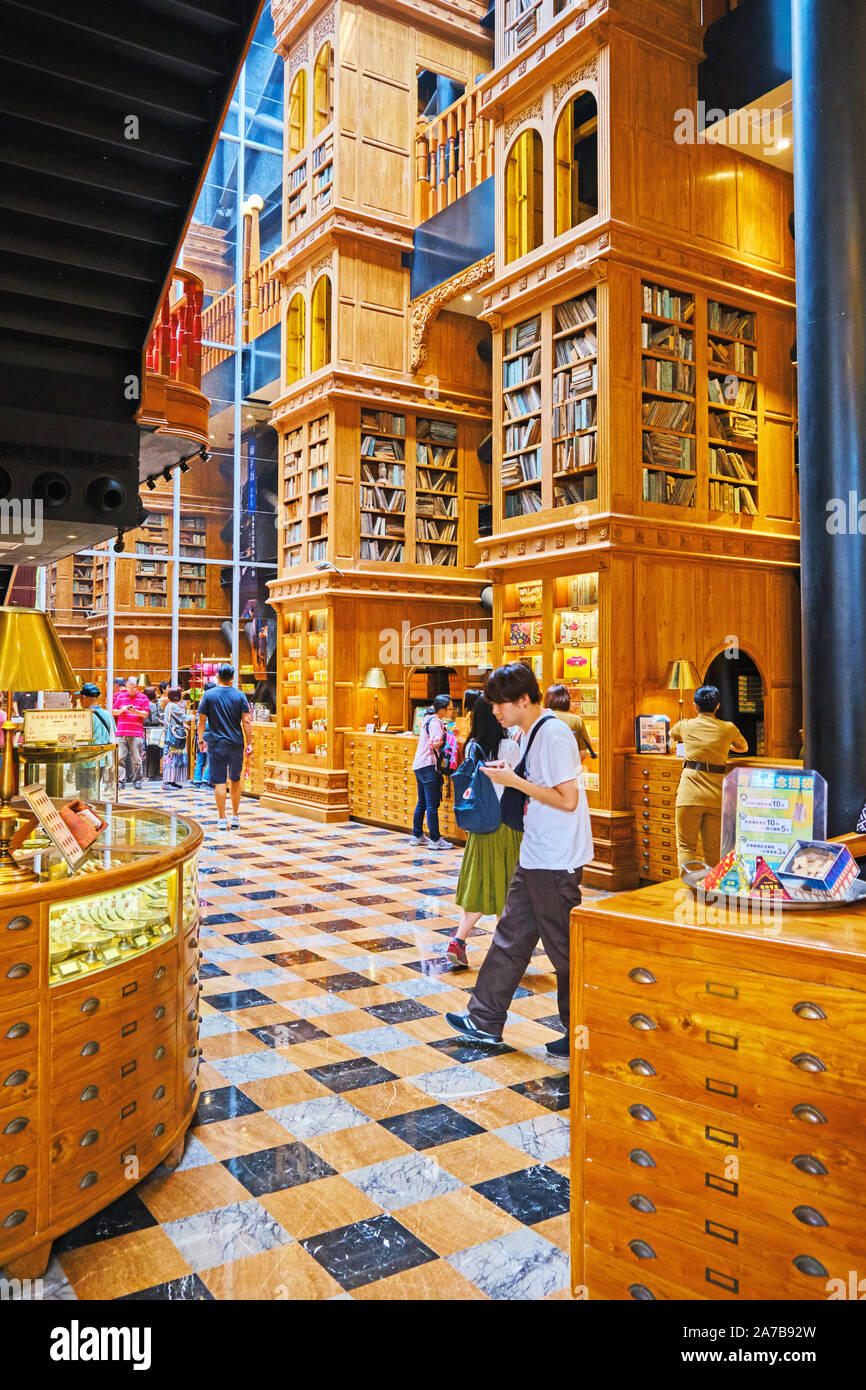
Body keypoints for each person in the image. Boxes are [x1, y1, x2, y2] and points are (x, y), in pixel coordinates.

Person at [445, 662, 594, 1056]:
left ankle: (584, 1034)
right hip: (536, 853)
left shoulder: (554, 734)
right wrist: (511, 774)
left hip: (556, 859)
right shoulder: (529, 732)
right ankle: (484, 1019)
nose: (494, 712)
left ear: (523, 700)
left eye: (500, 705)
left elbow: (567, 798)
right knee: (511, 936)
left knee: (564, 949)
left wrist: (514, 782)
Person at [445, 696, 522, 969]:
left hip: (480, 826)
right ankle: (506, 953)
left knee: (481, 885)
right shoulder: (510, 746)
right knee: (508, 886)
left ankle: (458, 941)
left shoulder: (472, 746)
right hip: (505, 824)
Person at [670, 684, 748, 871]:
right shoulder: (727, 728)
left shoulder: (685, 725)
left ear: (695, 705)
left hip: (688, 794)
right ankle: (712, 892)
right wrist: (725, 745)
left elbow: (671, 735)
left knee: (686, 847)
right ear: (717, 706)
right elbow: (744, 747)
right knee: (713, 850)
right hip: (715, 795)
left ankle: (687, 889)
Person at [196, 664, 252, 831]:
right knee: (235, 779)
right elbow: (246, 721)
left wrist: (200, 739)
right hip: (236, 743)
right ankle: (235, 816)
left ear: (218, 677)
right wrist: (250, 742)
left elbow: (202, 720)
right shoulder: (240, 695)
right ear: (233, 678)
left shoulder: (208, 695)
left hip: (216, 743)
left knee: (219, 781)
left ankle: (222, 819)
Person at [409, 693, 454, 851]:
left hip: (419, 764)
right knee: (432, 804)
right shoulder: (435, 721)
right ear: (442, 709)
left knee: (422, 802)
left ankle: (417, 835)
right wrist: (449, 736)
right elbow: (435, 743)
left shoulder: (427, 718)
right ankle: (435, 839)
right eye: (449, 709)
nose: (451, 712)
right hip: (429, 765)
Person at [112, 677, 149, 790]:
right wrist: (122, 709)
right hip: (121, 732)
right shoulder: (121, 697)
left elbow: (145, 714)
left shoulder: (143, 698)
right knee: (119, 758)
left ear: (137, 687)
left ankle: (137, 781)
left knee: (137, 759)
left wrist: (135, 711)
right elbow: (113, 711)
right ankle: (120, 781)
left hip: (136, 733)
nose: (131, 691)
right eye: (129, 688)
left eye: (134, 688)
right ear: (126, 686)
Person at [543, 684, 594, 762]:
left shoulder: (540, 719)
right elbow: (582, 753)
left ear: (547, 699)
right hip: (570, 770)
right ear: (567, 699)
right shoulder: (577, 721)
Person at [162, 688, 192, 790]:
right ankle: (167, 782)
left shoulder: (169, 705)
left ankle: (172, 781)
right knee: (170, 759)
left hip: (171, 734)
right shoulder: (174, 706)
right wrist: (194, 715)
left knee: (173, 759)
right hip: (173, 736)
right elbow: (184, 717)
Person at [143, 686, 163, 781]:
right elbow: (155, 719)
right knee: (154, 752)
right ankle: (153, 774)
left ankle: (150, 773)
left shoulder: (147, 703)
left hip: (147, 730)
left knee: (150, 752)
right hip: (153, 730)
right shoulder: (152, 705)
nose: (157, 694)